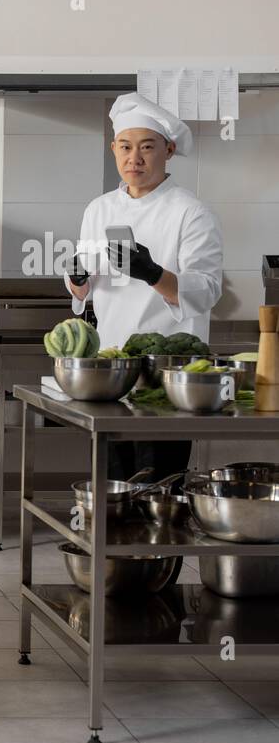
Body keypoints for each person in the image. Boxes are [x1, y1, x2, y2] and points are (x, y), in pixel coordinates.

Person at [64, 92, 224, 480]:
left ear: (168, 150)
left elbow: (206, 290)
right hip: (111, 368)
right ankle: (110, 538)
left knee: (157, 480)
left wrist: (153, 274)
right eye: (125, 146)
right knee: (113, 476)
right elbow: (85, 294)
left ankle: (157, 541)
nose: (134, 158)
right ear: (113, 148)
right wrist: (77, 278)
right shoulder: (98, 209)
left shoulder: (190, 212)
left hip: (166, 373)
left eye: (147, 147)